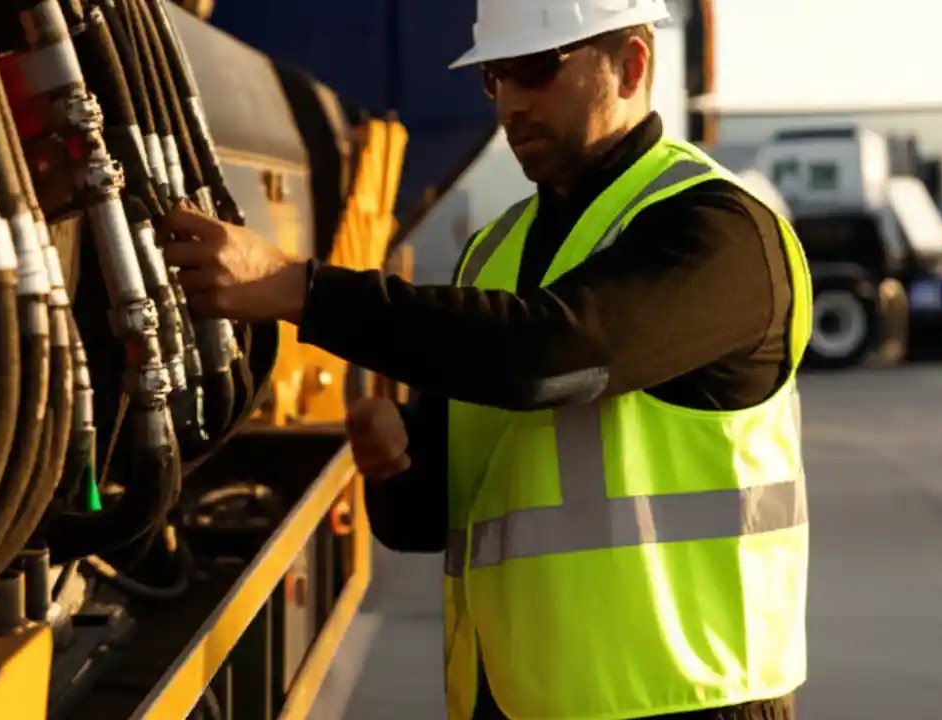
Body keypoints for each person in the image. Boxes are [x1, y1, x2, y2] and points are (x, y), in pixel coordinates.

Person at [162, 1, 811, 718]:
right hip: (515, 702)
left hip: (687, 699)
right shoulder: (496, 252)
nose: (509, 102)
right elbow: (433, 518)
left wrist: (297, 289)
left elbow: (550, 356)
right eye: (493, 76)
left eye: (534, 70)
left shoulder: (719, 232)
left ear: (631, 63)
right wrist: (399, 464)